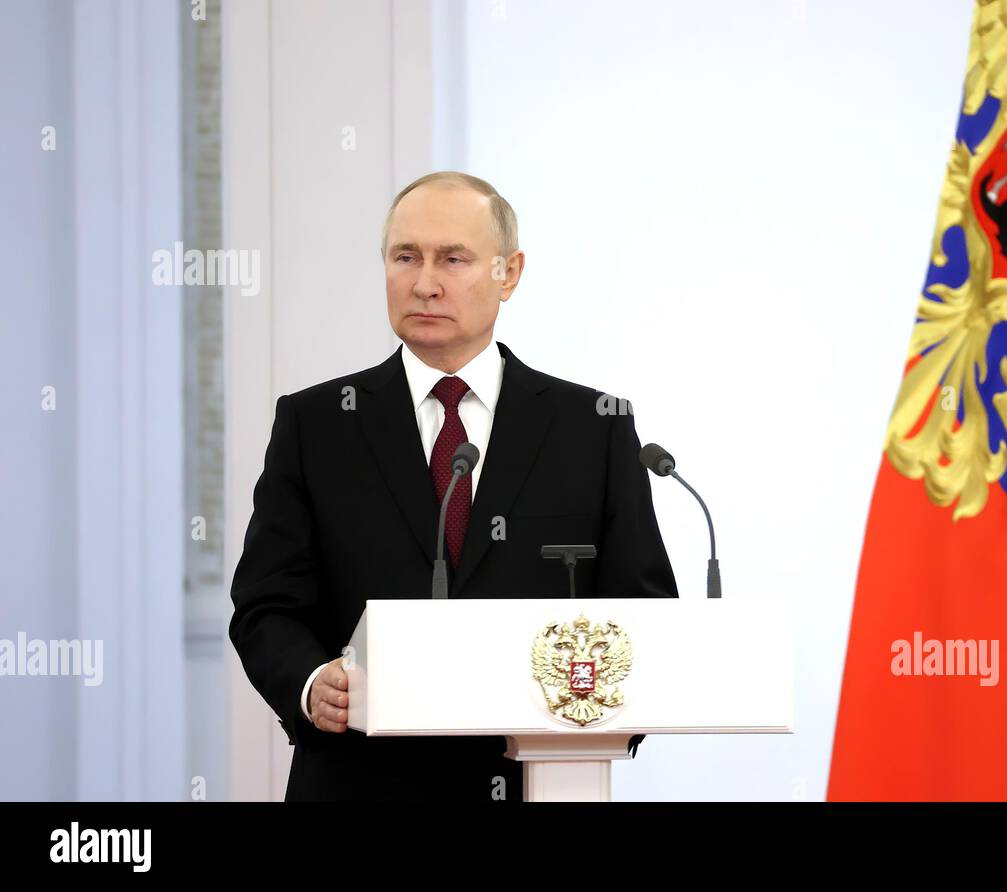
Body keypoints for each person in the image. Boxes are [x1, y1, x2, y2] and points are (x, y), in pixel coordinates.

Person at [228, 172, 678, 801]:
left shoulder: (593, 427)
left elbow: (643, 609)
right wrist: (310, 682)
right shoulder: (317, 424)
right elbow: (265, 604)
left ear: (509, 272)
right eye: (405, 257)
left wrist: (593, 714)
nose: (424, 282)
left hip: (538, 780)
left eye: (453, 259)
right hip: (359, 784)